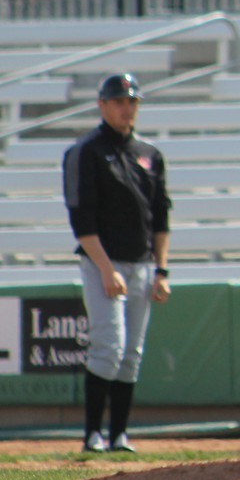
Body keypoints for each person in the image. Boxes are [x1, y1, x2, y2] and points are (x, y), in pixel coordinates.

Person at [63, 72, 171, 454]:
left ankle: (119, 435)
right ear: (102, 105)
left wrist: (161, 270)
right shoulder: (86, 151)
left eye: (133, 102)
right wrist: (106, 269)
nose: (128, 108)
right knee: (109, 346)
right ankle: (93, 433)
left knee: (131, 354)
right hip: (101, 262)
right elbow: (81, 219)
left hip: (141, 264)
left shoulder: (150, 154)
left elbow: (161, 218)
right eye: (120, 101)